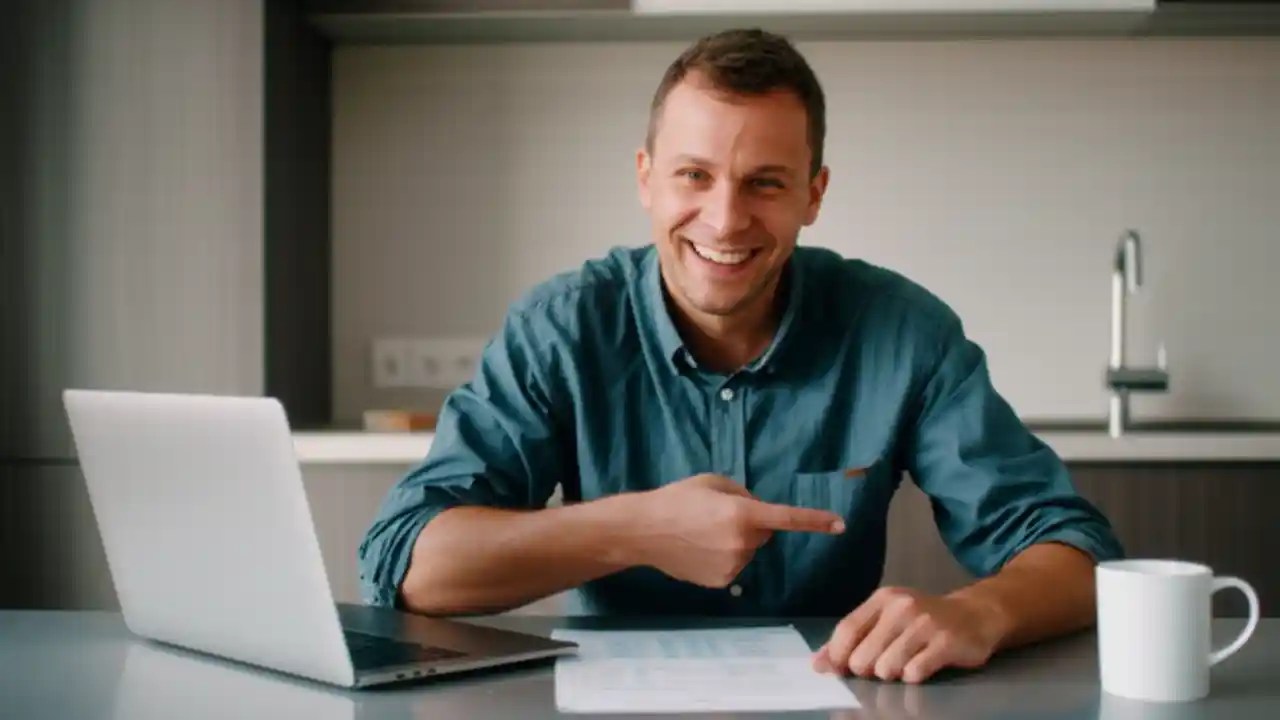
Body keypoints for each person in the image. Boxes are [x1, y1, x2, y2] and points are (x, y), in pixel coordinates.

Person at [357, 27, 1123, 684]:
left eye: (765, 183)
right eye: (694, 175)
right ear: (646, 178)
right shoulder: (560, 329)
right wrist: (634, 529)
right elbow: (405, 564)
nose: (725, 220)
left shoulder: (902, 332)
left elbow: (1078, 553)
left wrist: (979, 612)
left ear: (813, 195)